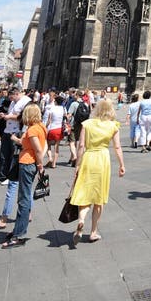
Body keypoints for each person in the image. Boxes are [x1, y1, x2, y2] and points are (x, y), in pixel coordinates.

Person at [70, 98, 125, 244]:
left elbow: (81, 145)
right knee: (98, 198)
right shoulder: (113, 126)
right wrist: (121, 165)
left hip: (88, 158)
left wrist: (77, 164)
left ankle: (81, 220)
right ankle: (93, 232)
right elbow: (117, 147)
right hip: (102, 160)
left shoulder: (87, 124)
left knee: (85, 194)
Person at [1, 104, 46, 248]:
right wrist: (16, 140)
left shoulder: (33, 129)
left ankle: (19, 234)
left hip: (28, 164)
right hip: (30, 162)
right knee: (24, 198)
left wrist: (40, 165)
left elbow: (38, 149)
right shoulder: (40, 126)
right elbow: (37, 146)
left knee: (23, 199)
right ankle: (18, 230)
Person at [0, 88, 31, 184]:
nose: (11, 99)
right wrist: (4, 115)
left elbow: (24, 117)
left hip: (17, 131)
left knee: (13, 155)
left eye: (12, 97)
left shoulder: (26, 101)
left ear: (16, 94)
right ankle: (2, 176)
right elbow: (11, 113)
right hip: (7, 130)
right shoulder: (13, 102)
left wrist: (8, 117)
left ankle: (10, 176)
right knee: (4, 154)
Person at [45, 94, 66, 168]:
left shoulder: (52, 109)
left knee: (48, 145)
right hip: (59, 129)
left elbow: (49, 120)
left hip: (52, 129)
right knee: (56, 147)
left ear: (56, 102)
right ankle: (54, 164)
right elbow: (65, 117)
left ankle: (50, 158)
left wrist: (45, 127)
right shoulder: (62, 109)